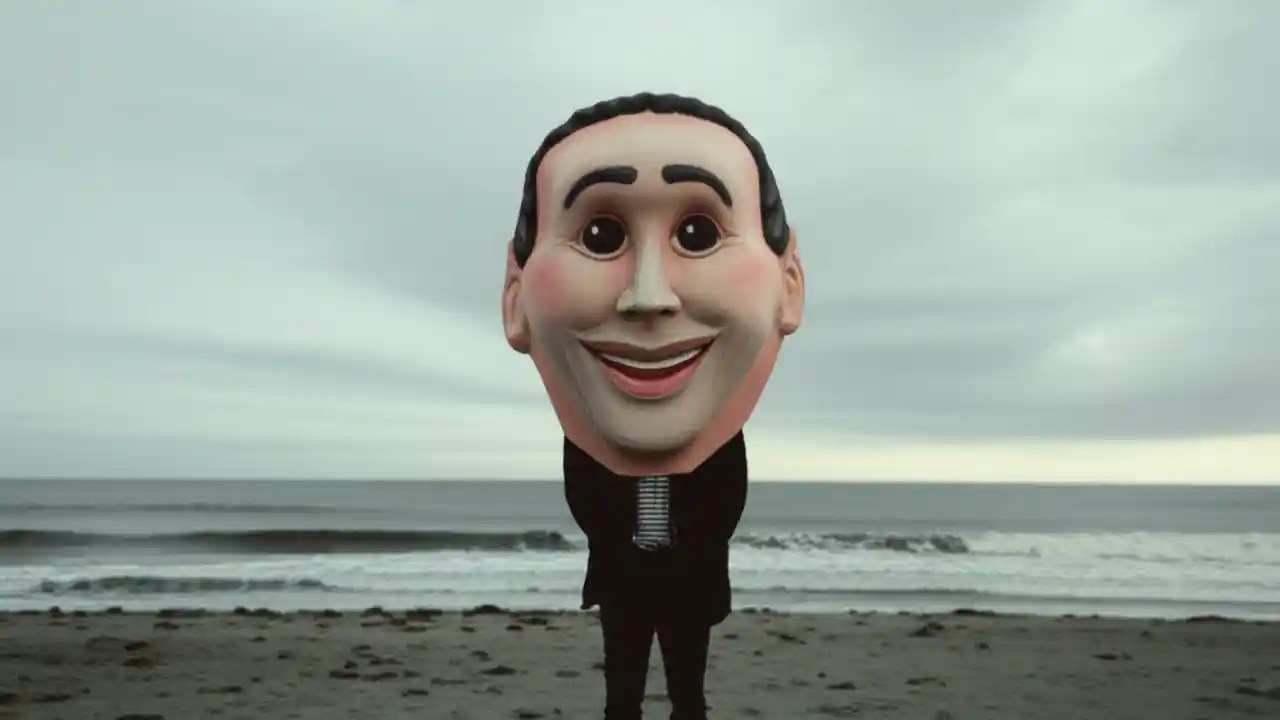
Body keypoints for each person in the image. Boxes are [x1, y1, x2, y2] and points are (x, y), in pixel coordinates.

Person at [500, 92, 805, 719]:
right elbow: (585, 498)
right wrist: (628, 550)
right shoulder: (586, 451)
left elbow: (726, 502)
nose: (648, 296)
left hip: (690, 582)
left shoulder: (723, 450)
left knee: (689, 693)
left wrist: (681, 547)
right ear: (515, 295)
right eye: (599, 235)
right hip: (624, 585)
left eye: (698, 235)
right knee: (623, 693)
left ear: (790, 285)